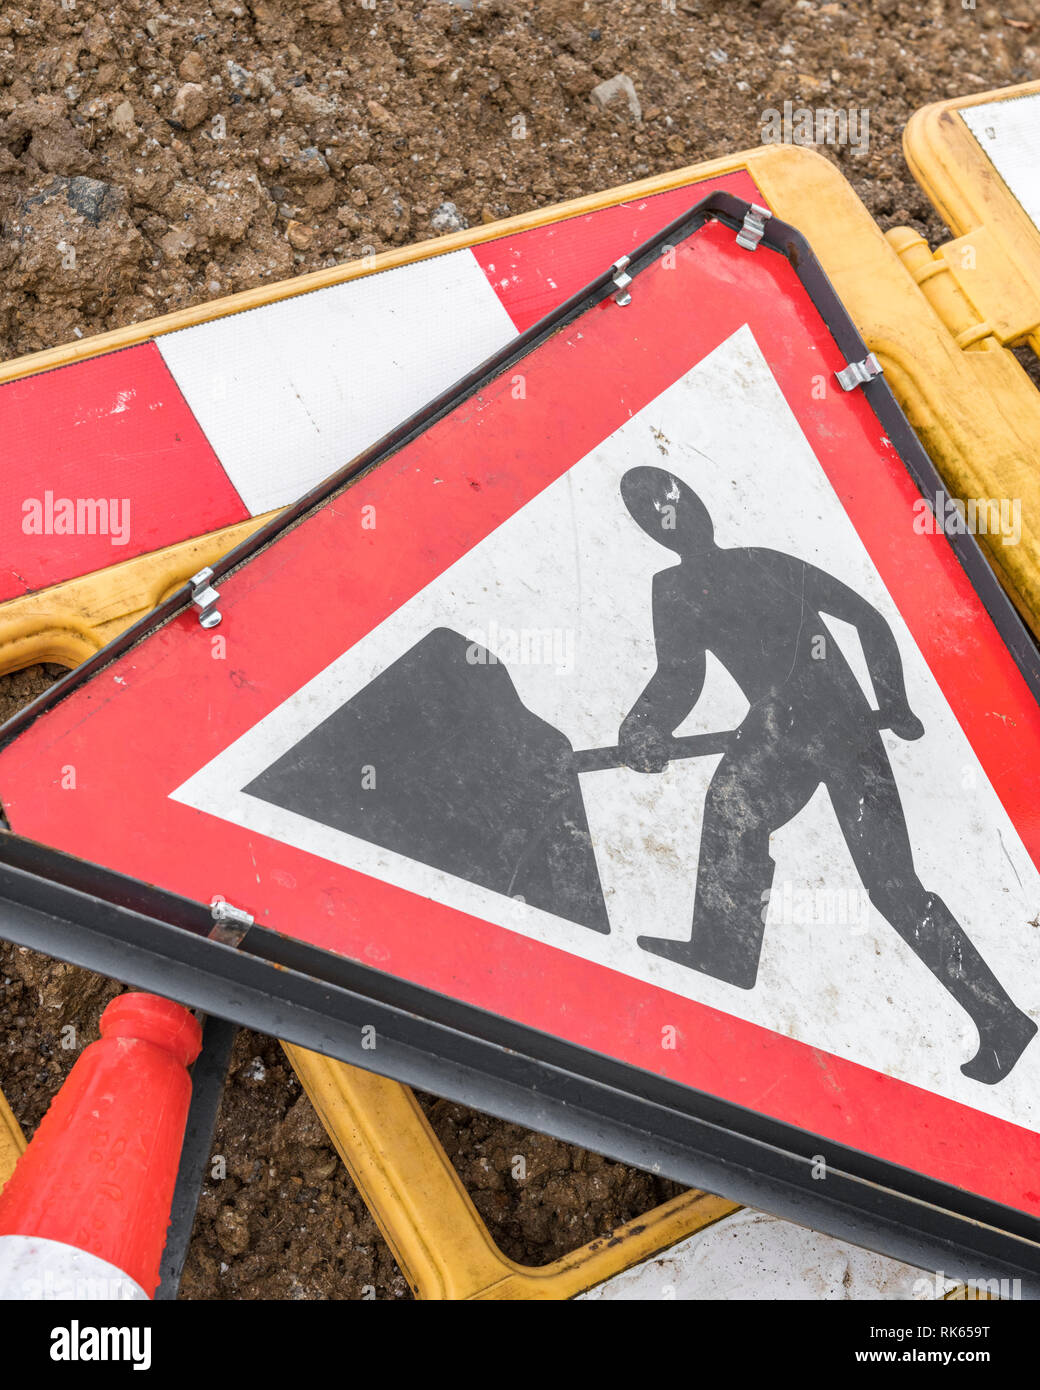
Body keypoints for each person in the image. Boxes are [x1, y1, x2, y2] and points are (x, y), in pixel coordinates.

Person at [617, 465, 1035, 1085]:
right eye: (653, 510)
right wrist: (643, 726)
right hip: (773, 732)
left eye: (676, 499)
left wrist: (892, 700)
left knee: (892, 884)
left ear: (703, 502)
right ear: (647, 529)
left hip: (843, 729)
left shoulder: (764, 560)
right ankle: (724, 948)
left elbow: (866, 617)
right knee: (729, 811)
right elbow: (681, 674)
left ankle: (1000, 1019)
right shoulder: (671, 589)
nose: (671, 514)